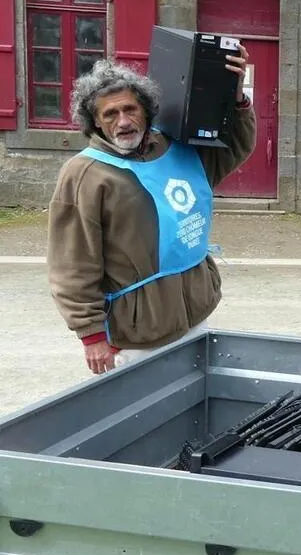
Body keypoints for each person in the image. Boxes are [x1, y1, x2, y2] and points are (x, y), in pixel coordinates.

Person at [47, 50, 256, 375]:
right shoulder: (85, 175)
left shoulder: (176, 149)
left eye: (130, 109)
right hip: (136, 337)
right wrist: (91, 335)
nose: (124, 122)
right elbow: (72, 264)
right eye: (110, 114)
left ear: (146, 110)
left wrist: (238, 95)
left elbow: (236, 146)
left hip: (196, 316)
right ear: (96, 123)